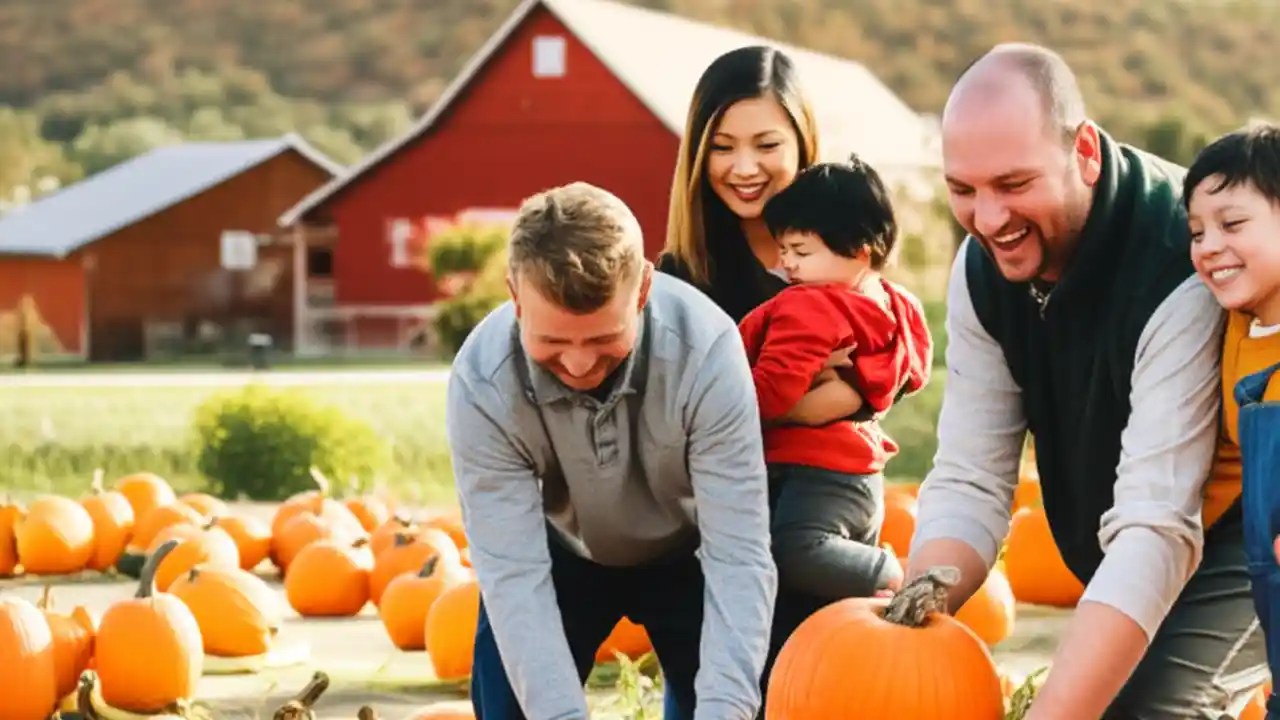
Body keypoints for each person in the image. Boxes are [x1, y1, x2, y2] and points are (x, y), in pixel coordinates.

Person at [905, 41, 1267, 718]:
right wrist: (913, 606)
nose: (987, 218)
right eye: (963, 190)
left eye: (1014, 185)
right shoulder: (981, 268)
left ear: (1086, 154)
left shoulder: (1179, 263)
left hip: (1245, 537)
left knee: (1141, 710)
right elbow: (971, 476)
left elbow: (1157, 520)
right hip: (1134, 540)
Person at [446, 180, 778, 720]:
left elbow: (738, 557)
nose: (578, 364)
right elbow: (512, 575)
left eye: (603, 339)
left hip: (691, 552)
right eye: (553, 343)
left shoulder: (709, 353)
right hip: (557, 556)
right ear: (514, 296)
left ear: (643, 289)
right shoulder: (483, 383)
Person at [654, 44, 867, 702]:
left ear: (803, 144)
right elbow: (677, 418)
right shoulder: (682, 279)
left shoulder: (839, 249)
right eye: (721, 146)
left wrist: (850, 390)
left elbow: (883, 366)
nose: (743, 168)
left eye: (766, 144)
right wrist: (795, 404)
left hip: (816, 519)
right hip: (715, 542)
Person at [737, 157, 933, 600]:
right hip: (861, 479)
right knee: (834, 605)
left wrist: (728, 404)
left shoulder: (807, 305)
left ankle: (897, 572)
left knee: (791, 553)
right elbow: (913, 369)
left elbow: (765, 394)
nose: (788, 264)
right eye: (783, 249)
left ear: (861, 249)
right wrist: (855, 388)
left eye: (801, 252)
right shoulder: (898, 302)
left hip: (807, 474)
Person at [1184, 122, 1280, 717]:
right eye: (1196, 232)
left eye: (1232, 224)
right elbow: (1229, 461)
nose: (1208, 245)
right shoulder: (1236, 331)